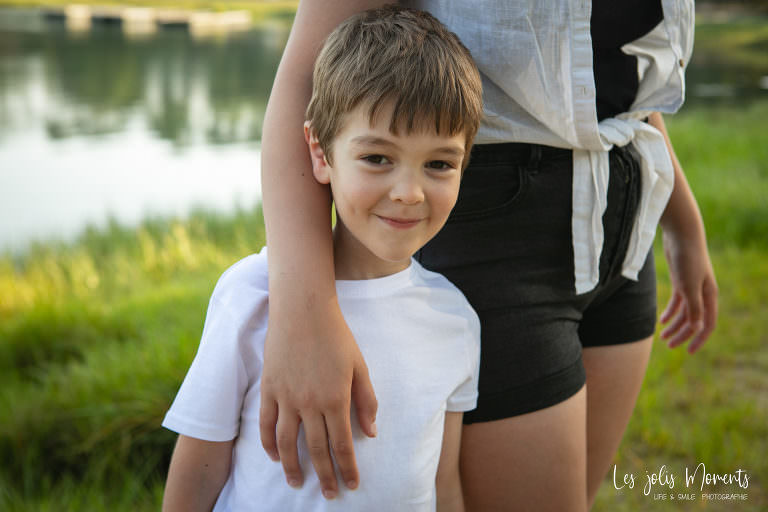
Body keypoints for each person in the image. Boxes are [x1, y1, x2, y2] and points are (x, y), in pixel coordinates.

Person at [257, 1, 719, 511]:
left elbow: (602, 72)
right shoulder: (246, 303)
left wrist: (682, 219)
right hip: (493, 241)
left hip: (626, 221)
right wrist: (305, 318)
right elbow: (307, 80)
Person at [161, 6, 484, 511]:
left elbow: (444, 486)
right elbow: (197, 475)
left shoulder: (456, 320)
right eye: (377, 158)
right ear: (320, 151)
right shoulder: (251, 295)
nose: (409, 192)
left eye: (439, 164)